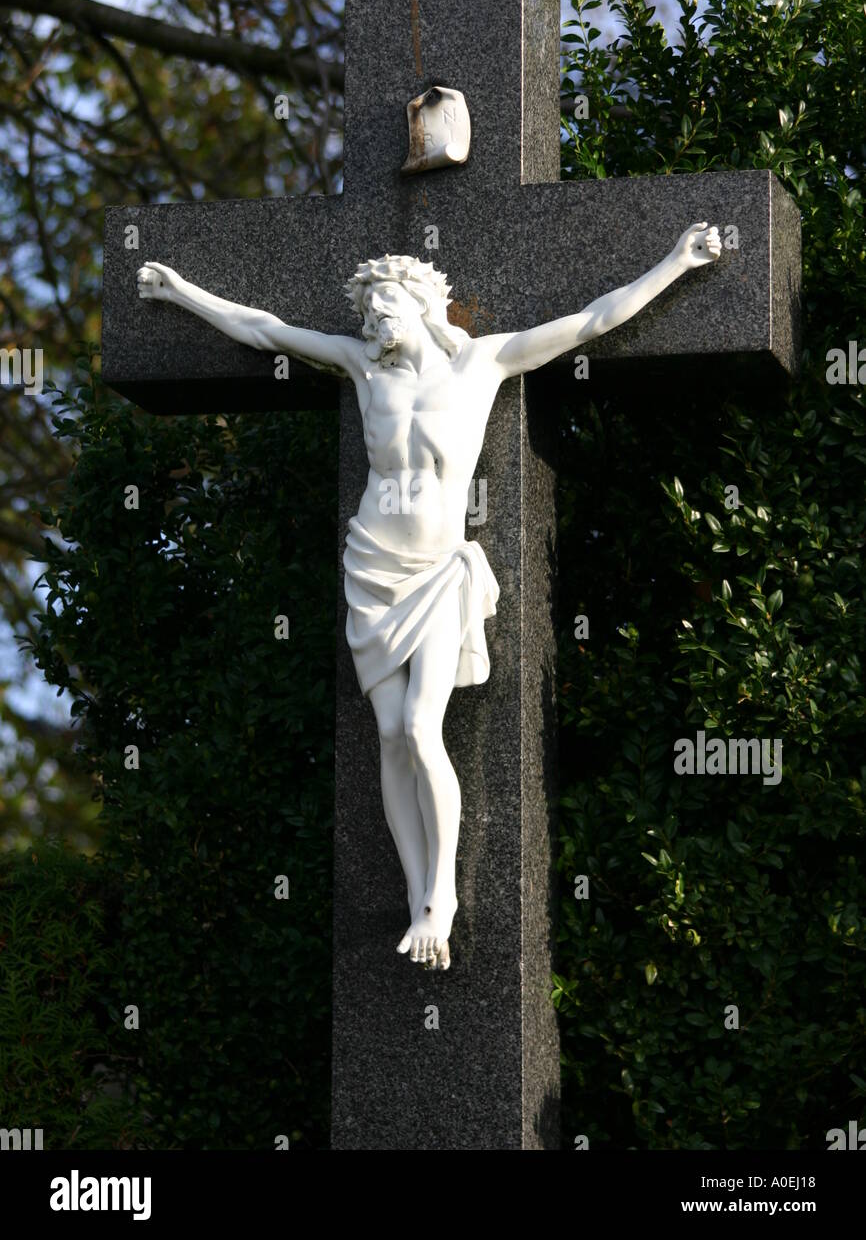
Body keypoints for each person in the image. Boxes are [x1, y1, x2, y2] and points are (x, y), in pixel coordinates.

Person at [137, 223, 721, 969]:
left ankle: (441, 898)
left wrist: (673, 261)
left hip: (439, 570)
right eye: (369, 311)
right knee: (389, 736)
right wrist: (182, 293)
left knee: (420, 726)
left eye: (386, 308)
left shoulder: (483, 362)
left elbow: (594, 319)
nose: (375, 322)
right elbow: (266, 330)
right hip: (371, 566)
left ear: (420, 305)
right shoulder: (362, 368)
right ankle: (417, 897)